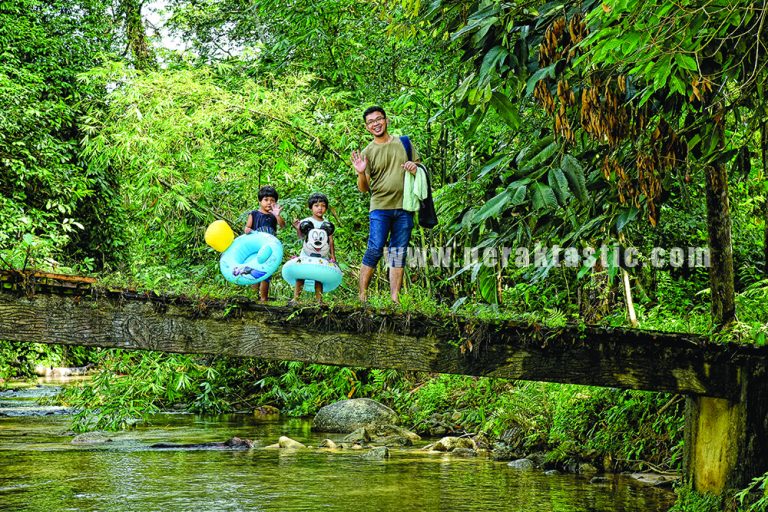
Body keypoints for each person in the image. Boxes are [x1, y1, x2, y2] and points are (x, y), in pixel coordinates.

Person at [350, 106, 419, 304]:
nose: (375, 124)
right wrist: (361, 172)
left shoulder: (404, 143)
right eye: (371, 122)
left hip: (405, 206)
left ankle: (395, 298)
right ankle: (362, 295)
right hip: (380, 207)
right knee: (375, 248)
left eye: (378, 119)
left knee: (398, 252)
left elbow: (420, 168)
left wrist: (415, 168)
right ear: (367, 127)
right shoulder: (367, 152)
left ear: (386, 120)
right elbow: (364, 189)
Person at [290, 193, 336, 305]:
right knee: (301, 275)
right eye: (316, 205)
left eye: (323, 205)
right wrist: (298, 228)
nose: (320, 208)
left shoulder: (327, 224)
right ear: (311, 207)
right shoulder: (306, 221)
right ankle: (295, 299)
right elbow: (301, 237)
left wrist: (333, 255)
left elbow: (330, 240)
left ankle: (319, 301)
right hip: (306, 253)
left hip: (322, 255)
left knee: (318, 277)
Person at [243, 185, 285, 302]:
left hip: (270, 249)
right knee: (254, 271)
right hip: (256, 249)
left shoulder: (273, 216)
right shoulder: (254, 214)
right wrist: (248, 230)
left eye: (272, 200)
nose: (269, 203)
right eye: (266, 200)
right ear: (260, 201)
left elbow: (282, 225)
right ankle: (253, 297)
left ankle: (263, 299)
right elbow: (247, 228)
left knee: (266, 273)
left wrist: (277, 215)